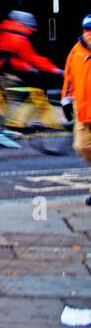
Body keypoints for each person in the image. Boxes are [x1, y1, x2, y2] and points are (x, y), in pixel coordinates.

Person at [0, 10, 63, 139]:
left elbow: (11, 57)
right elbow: (32, 58)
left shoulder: (3, 30)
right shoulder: (18, 36)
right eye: (31, 25)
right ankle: (9, 129)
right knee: (15, 97)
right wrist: (54, 70)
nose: (32, 29)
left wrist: (25, 67)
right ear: (24, 23)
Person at [61, 14, 91, 205]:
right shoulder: (76, 51)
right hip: (82, 111)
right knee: (81, 146)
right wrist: (65, 100)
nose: (90, 34)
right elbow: (69, 77)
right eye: (87, 30)